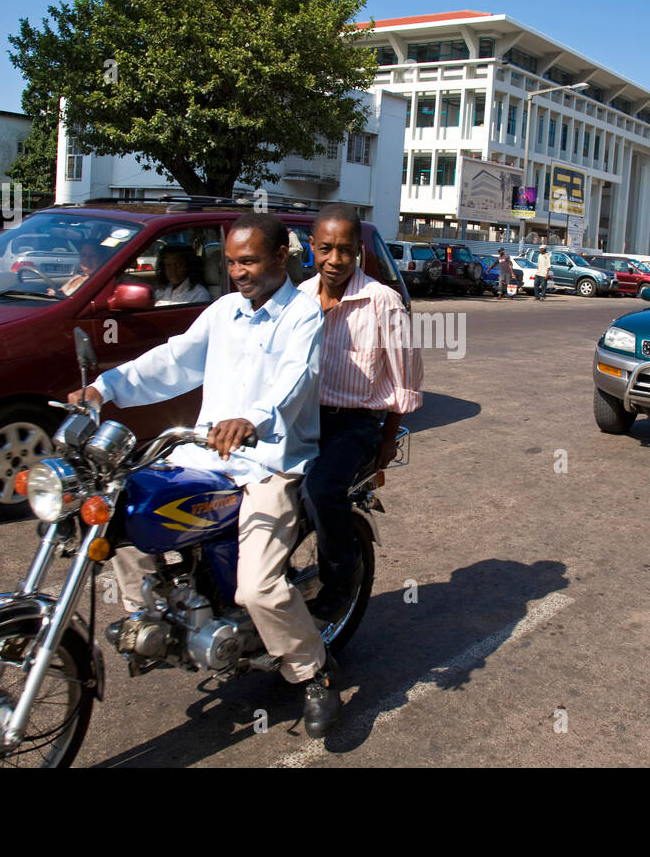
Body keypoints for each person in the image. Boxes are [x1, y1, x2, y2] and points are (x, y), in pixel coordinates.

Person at [69, 213, 342, 738]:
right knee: (120, 511)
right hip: (203, 455)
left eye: (249, 261)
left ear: (280, 259)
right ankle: (149, 615)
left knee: (258, 590)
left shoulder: (303, 315)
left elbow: (295, 379)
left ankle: (314, 670)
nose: (237, 271)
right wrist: (105, 389)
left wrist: (252, 418)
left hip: (270, 464)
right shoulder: (223, 313)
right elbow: (171, 362)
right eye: (231, 261)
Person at [299, 204, 423, 624]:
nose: (335, 260)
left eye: (346, 251)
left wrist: (387, 439)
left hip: (354, 425)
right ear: (311, 247)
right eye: (327, 249)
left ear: (359, 254)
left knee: (321, 489)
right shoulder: (296, 299)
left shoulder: (383, 303)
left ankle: (340, 580)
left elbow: (407, 378)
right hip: (303, 418)